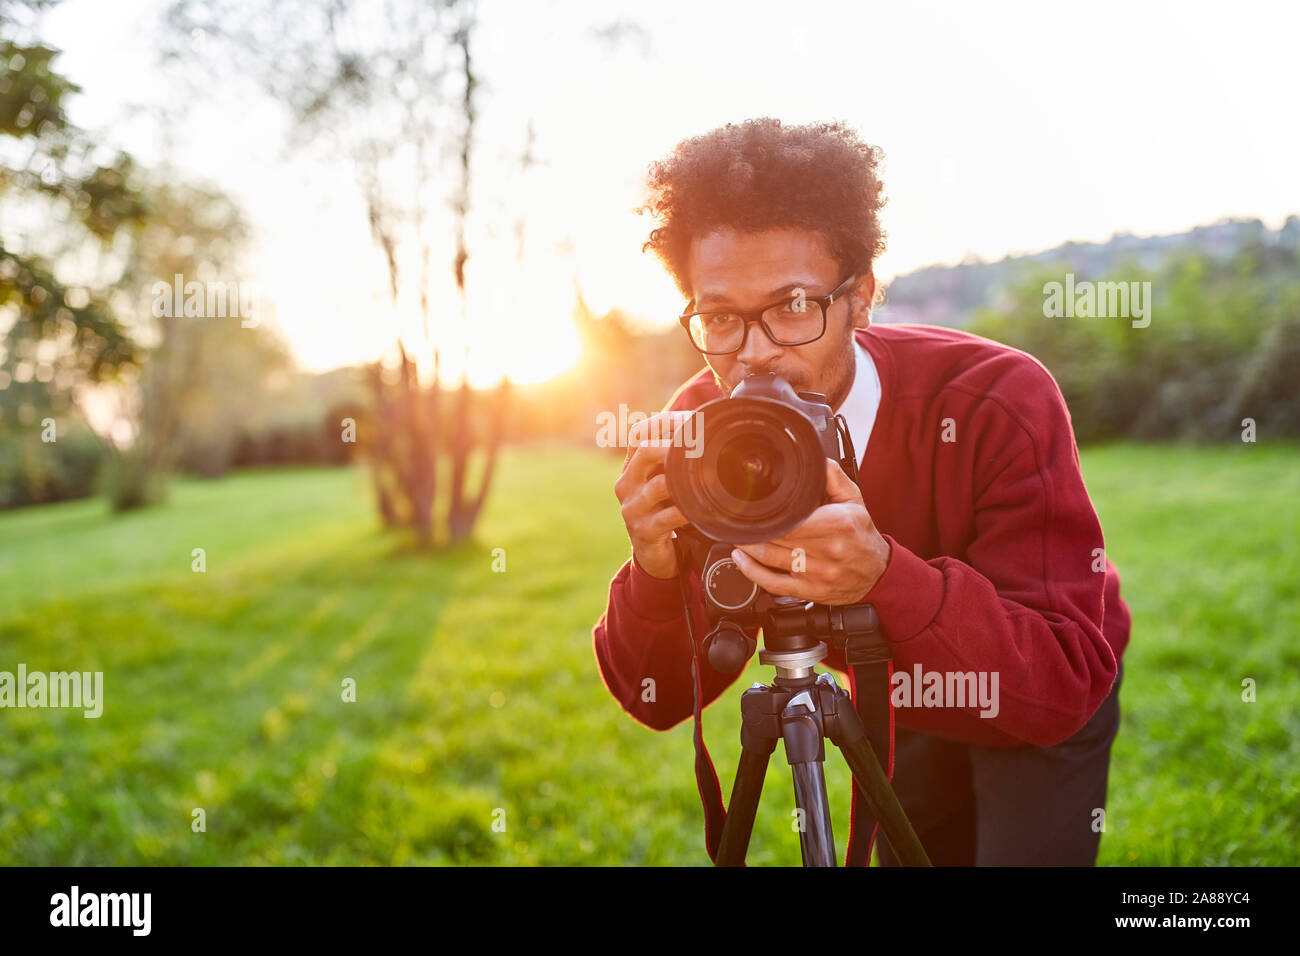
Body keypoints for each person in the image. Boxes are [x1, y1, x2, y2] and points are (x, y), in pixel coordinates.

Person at [592, 118, 1130, 866]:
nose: (756, 352)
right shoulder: (702, 430)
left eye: (792, 306)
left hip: (1031, 682)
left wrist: (884, 578)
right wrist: (652, 576)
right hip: (893, 689)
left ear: (863, 298)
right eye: (720, 318)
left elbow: (1061, 682)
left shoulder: (995, 399)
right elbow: (656, 701)